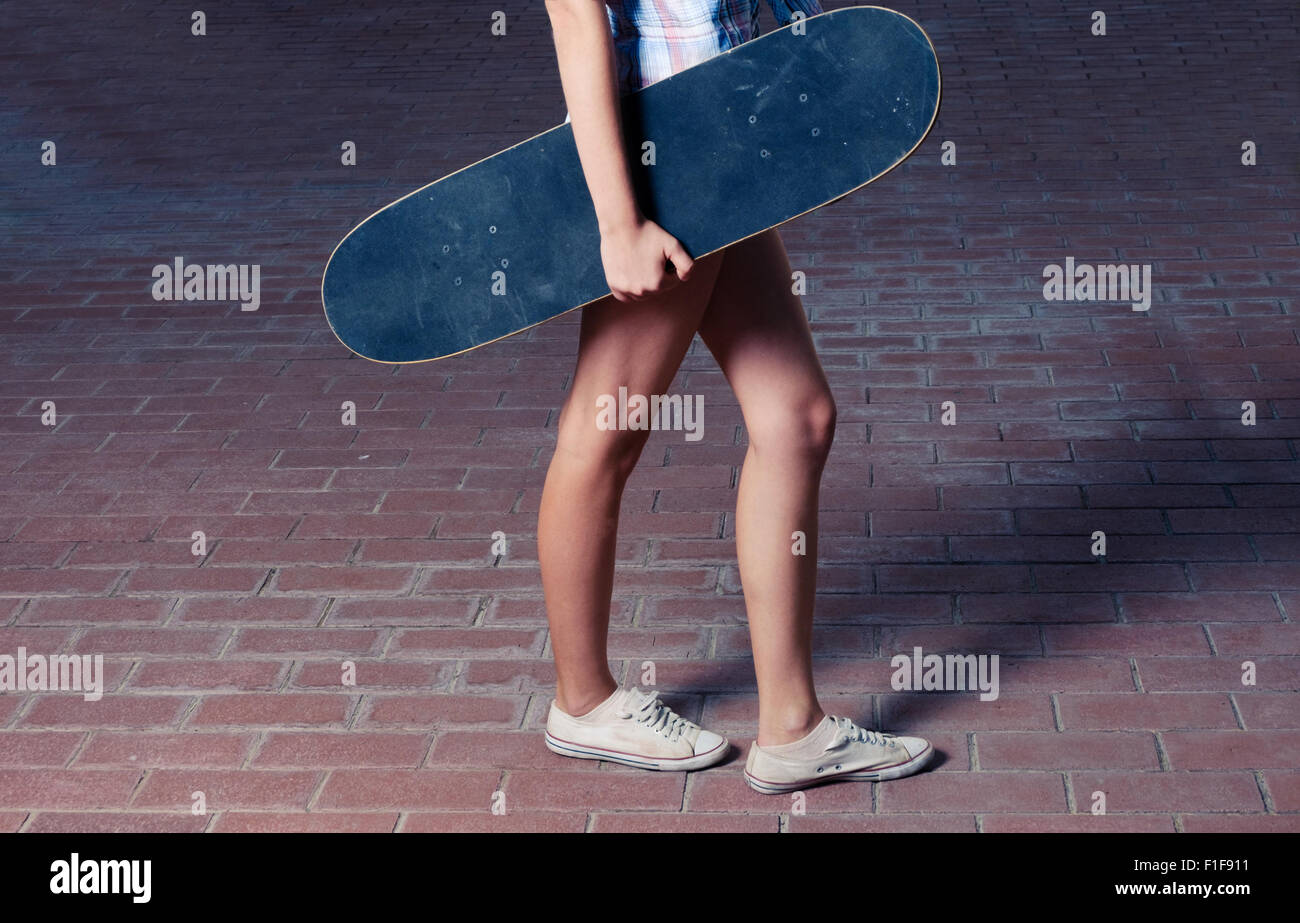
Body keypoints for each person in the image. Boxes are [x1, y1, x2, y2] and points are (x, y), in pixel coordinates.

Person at [537, 0, 933, 793]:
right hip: (668, 157)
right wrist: (620, 223)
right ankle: (582, 700)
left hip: (728, 135)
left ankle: (792, 727)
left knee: (796, 417)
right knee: (605, 426)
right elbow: (576, 17)